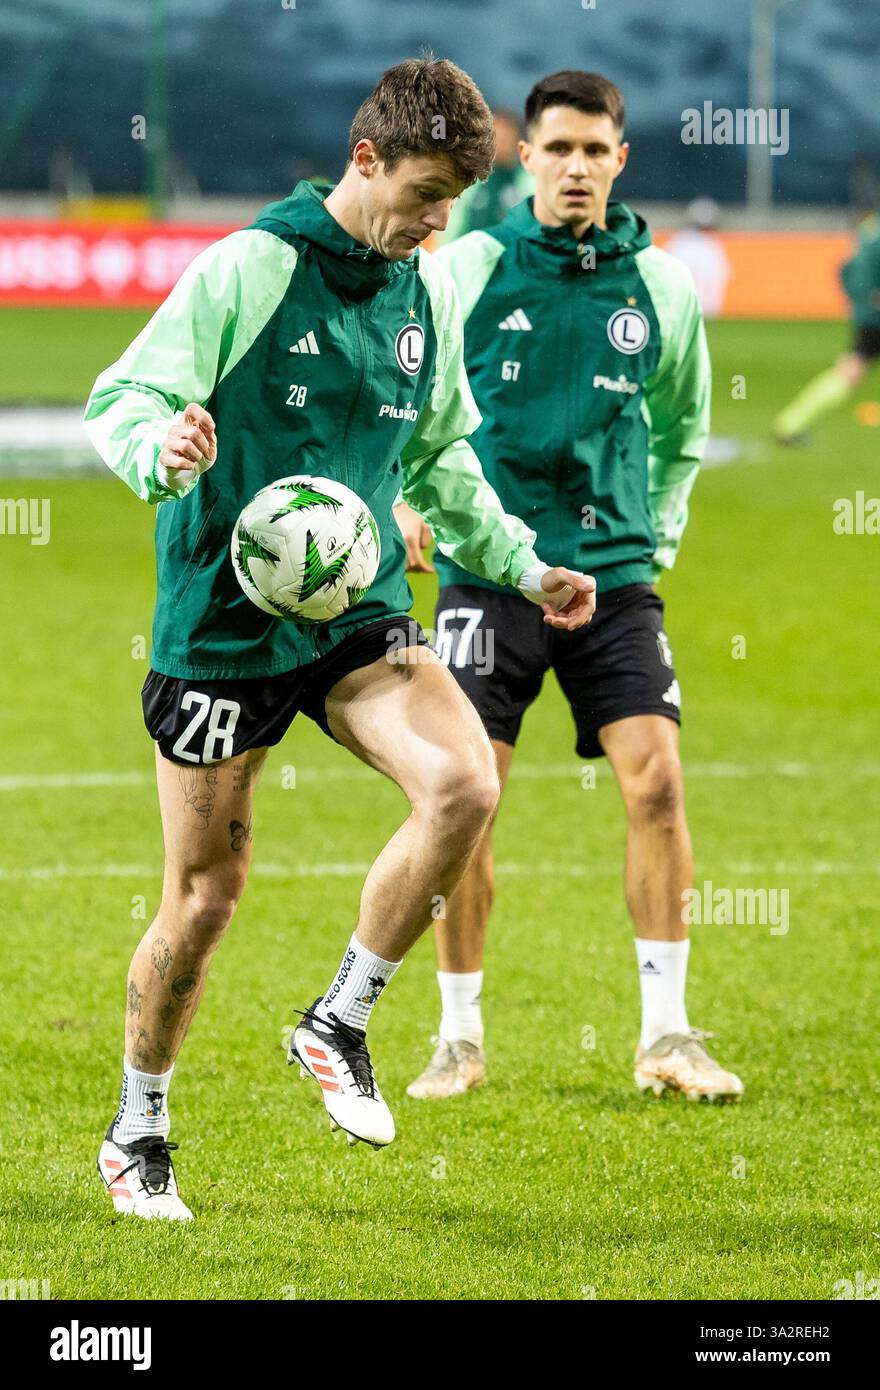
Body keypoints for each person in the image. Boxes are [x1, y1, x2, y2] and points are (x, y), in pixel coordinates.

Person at [83, 57, 595, 1222]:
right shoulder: (250, 268)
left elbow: (444, 454)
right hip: (221, 621)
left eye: (453, 206)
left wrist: (519, 562)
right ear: (364, 161)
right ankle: (139, 1125)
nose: (434, 225)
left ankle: (340, 1018)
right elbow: (124, 396)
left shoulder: (423, 292)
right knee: (205, 899)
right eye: (422, 196)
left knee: (465, 782)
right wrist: (159, 448)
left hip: (353, 605)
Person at [396, 69, 743, 1105]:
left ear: (619, 160)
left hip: (613, 574)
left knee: (658, 784)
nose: (577, 167)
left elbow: (683, 427)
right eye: (558, 149)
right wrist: (413, 501)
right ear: (526, 156)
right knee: (469, 803)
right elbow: (405, 390)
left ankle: (667, 1035)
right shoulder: (464, 267)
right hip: (488, 568)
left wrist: (658, 534)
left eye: (596, 150)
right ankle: (457, 1037)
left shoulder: (663, 286)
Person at [773, 209, 880, 444]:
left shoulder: (864, 238)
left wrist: (861, 302)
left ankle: (790, 422)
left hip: (868, 318)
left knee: (849, 371)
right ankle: (790, 423)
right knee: (850, 370)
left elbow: (845, 273)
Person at [440, 109, 534, 242]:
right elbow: (452, 227)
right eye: (495, 137)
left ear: (517, 141)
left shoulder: (530, 183)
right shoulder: (468, 183)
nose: (500, 145)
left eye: (505, 139)